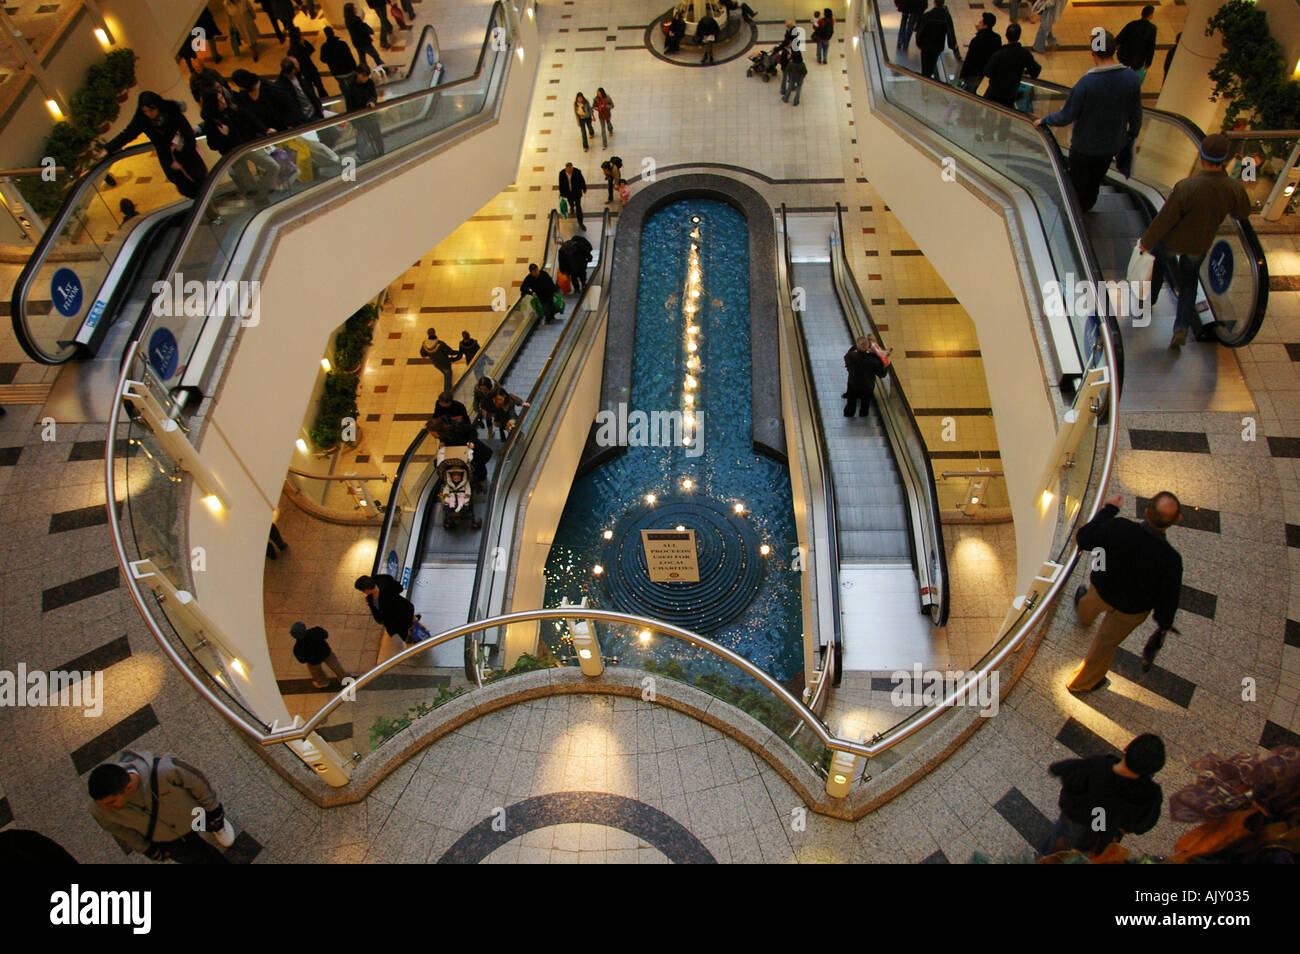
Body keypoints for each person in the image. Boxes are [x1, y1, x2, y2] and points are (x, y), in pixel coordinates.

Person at [1139, 133, 1252, 348]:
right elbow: (1242, 213)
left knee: (1159, 265)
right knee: (1189, 282)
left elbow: (1165, 219)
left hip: (1173, 241)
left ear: (1201, 158)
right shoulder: (1233, 188)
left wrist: (1147, 241)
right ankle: (1181, 327)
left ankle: (1149, 300)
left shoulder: (1187, 186)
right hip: (1200, 244)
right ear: (1225, 160)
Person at [1067, 492, 1182, 693]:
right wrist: (1164, 624)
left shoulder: (1119, 528)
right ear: (1177, 520)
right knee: (1105, 645)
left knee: (1088, 603)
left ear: (1146, 511)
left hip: (1101, 589)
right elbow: (1168, 598)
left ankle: (1084, 618)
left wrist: (1109, 510)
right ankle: (1081, 683)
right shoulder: (1171, 560)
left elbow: (1085, 538)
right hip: (1130, 611)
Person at [1033, 31, 1142, 213]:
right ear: (1114, 50)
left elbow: (1066, 116)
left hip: (1084, 146)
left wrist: (1045, 119)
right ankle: (1088, 206)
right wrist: (1131, 135)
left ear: (1093, 53)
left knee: (1077, 182)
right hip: (1111, 145)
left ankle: (1075, 212)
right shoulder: (1131, 79)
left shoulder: (1087, 83)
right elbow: (1136, 115)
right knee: (1095, 181)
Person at [88, 751, 234, 864]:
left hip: (193, 814)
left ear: (128, 787)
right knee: (202, 860)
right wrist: (146, 849)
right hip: (170, 840)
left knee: (210, 822)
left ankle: (216, 827)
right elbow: (122, 831)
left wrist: (213, 809)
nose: (106, 809)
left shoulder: (165, 771)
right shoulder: (99, 809)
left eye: (111, 802)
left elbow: (198, 783)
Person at [1041, 734, 1165, 857]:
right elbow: (1142, 825)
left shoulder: (1096, 765)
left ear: (1126, 747)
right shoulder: (1150, 795)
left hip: (1072, 827)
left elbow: (1059, 770)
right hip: (1102, 838)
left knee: (1054, 852)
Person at [105, 93, 211, 203]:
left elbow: (188, 136)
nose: (149, 114)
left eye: (151, 110)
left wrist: (182, 159)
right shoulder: (142, 119)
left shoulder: (172, 112)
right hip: (169, 161)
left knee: (202, 184)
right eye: (145, 111)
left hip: (188, 156)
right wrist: (108, 148)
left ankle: (209, 209)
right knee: (188, 188)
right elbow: (127, 134)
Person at [202, 87, 278, 204]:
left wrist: (265, 130)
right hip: (234, 153)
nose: (223, 101)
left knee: (273, 166)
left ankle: (261, 195)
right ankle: (260, 200)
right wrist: (225, 136)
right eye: (219, 100)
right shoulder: (211, 123)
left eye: (222, 97)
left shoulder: (233, 109)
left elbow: (250, 118)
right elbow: (213, 144)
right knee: (248, 182)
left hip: (247, 145)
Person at [982, 23, 1040, 108]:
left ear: (1006, 35)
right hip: (1010, 94)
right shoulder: (1024, 54)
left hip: (994, 92)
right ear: (1019, 37)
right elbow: (1036, 71)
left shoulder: (999, 54)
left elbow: (987, 72)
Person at [354, 573, 420, 644]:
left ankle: (416, 644)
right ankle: (415, 625)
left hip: (397, 622)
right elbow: (399, 588)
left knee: (408, 635)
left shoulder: (374, 600)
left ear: (366, 590)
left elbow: (379, 618)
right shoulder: (384, 580)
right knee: (412, 623)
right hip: (405, 609)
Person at [230, 68, 300, 131]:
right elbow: (250, 114)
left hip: (283, 126)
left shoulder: (270, 89)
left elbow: (289, 105)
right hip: (267, 129)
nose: (239, 88)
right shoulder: (244, 93)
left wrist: (290, 125)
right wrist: (265, 129)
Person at [291, 621, 352, 688]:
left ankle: (322, 682)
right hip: (326, 653)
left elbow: (302, 660)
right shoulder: (316, 631)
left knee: (316, 671)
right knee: (336, 666)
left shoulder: (297, 648)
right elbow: (326, 634)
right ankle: (345, 679)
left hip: (313, 661)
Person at [344, 63, 385, 160]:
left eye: (367, 76)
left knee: (376, 134)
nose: (365, 78)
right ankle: (364, 156)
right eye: (363, 76)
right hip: (359, 117)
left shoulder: (369, 82)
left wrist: (371, 101)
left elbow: (373, 95)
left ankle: (381, 153)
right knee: (363, 137)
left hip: (370, 114)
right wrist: (353, 120)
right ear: (358, 74)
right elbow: (349, 105)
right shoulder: (350, 87)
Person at [915, 0, 959, 81]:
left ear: (934, 3)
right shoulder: (946, 16)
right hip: (937, 46)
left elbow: (920, 30)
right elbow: (951, 32)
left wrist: (919, 43)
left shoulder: (928, 15)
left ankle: (925, 81)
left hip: (925, 46)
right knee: (932, 64)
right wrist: (953, 45)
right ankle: (930, 78)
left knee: (925, 67)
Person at [843, 336, 885, 417]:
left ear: (858, 346)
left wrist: (856, 346)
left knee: (851, 403)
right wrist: (876, 355)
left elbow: (847, 355)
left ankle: (849, 414)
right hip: (868, 387)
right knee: (865, 404)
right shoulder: (873, 360)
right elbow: (882, 374)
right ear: (868, 346)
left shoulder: (852, 356)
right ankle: (863, 414)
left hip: (853, 384)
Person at [958, 13, 1000, 94]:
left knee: (968, 93)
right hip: (987, 76)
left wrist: (962, 76)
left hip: (974, 75)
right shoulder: (997, 39)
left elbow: (969, 60)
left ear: (985, 25)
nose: (978, 24)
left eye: (980, 22)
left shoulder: (976, 40)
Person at [1116, 5, 1158, 83]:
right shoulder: (1152, 29)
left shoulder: (1132, 24)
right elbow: (1151, 47)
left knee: (1122, 72)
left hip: (1125, 54)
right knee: (1134, 77)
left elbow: (1120, 37)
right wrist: (1148, 62)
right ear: (1151, 15)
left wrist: (1114, 46)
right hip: (1138, 58)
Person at [277, 56, 324, 125]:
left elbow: (310, 92)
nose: (299, 64)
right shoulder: (281, 86)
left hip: (315, 111)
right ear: (293, 69)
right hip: (304, 119)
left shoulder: (301, 75)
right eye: (297, 64)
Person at [287, 27, 328, 98]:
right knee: (320, 87)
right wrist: (305, 41)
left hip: (304, 74)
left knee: (311, 91)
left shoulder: (291, 51)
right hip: (310, 71)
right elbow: (311, 49)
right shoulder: (302, 49)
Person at [420, 328, 460, 393]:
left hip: (436, 363)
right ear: (435, 333)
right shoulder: (440, 344)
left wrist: (431, 354)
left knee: (444, 372)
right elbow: (450, 352)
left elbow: (423, 354)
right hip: (445, 363)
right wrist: (459, 352)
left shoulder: (424, 344)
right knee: (447, 377)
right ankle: (447, 393)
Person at [344, 2, 383, 68]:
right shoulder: (356, 20)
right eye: (354, 8)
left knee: (362, 59)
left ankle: (363, 71)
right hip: (364, 42)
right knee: (375, 56)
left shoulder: (347, 20)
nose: (356, 9)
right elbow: (362, 31)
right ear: (351, 11)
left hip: (357, 43)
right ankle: (384, 69)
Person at [559, 162, 588, 231]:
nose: (570, 171)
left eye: (571, 169)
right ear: (566, 168)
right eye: (568, 169)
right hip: (568, 193)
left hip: (577, 193)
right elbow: (561, 184)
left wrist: (584, 188)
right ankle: (572, 207)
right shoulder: (562, 174)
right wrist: (562, 193)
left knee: (578, 208)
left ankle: (581, 223)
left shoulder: (577, 172)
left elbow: (582, 180)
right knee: (570, 202)